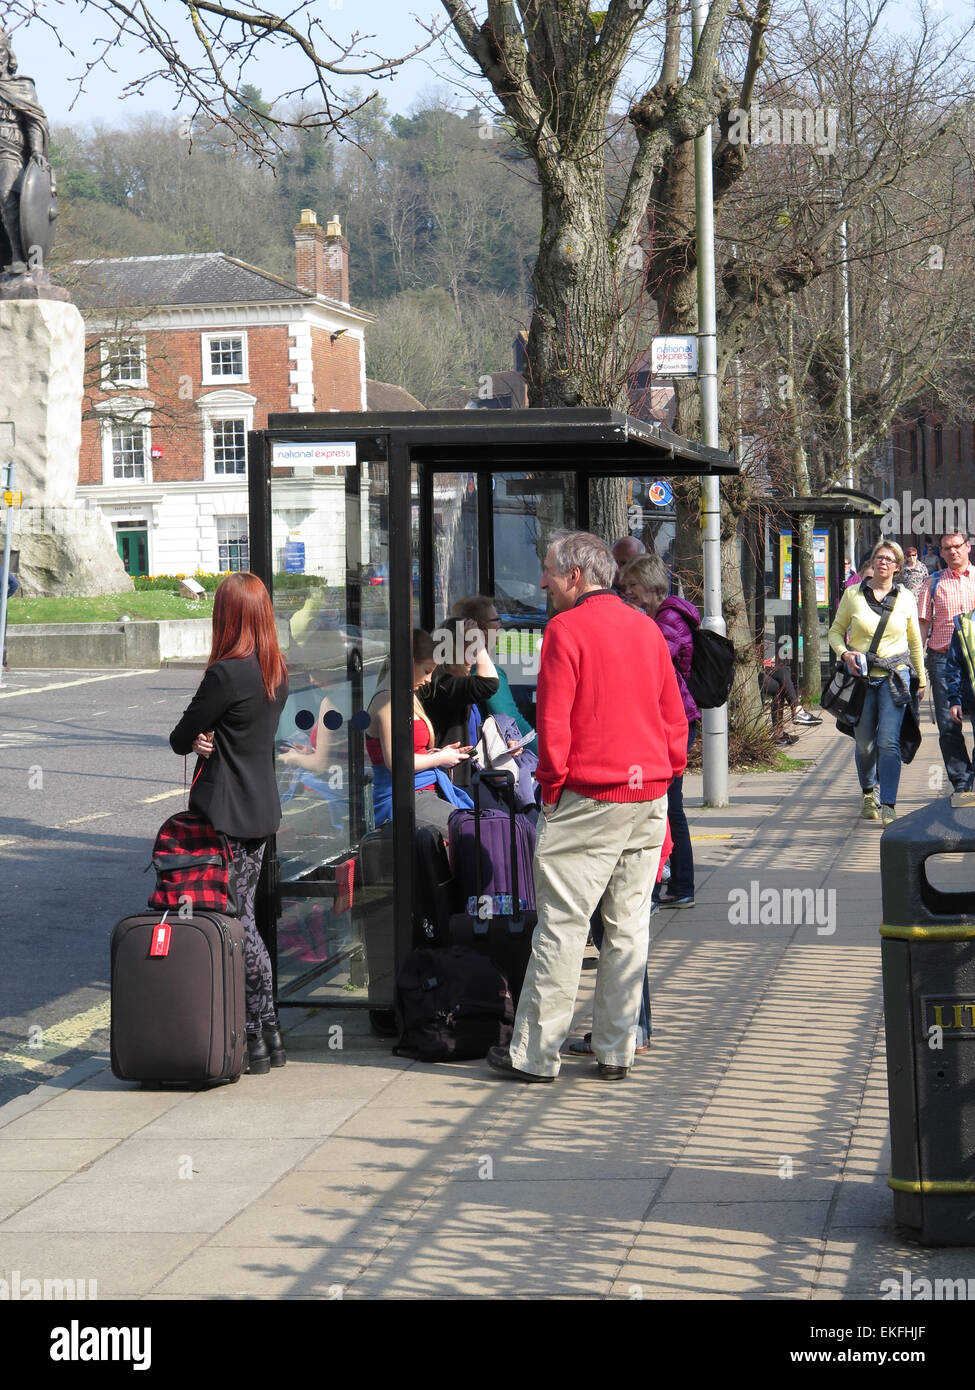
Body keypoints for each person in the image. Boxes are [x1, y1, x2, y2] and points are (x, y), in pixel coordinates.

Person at [487, 530, 687, 1083]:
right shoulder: (645, 628)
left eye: (549, 571)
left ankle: (536, 1054)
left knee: (562, 927)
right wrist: (663, 774)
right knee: (628, 928)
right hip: (647, 794)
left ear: (575, 575)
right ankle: (616, 1049)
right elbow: (673, 716)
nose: (543, 583)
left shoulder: (566, 629)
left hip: (590, 795)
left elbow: (554, 724)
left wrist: (550, 792)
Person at [169, 572, 289, 1076]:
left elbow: (180, 737)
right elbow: (241, 732)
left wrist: (199, 740)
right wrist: (209, 737)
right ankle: (267, 1037)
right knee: (245, 916)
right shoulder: (275, 670)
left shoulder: (225, 673)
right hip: (259, 810)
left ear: (228, 616)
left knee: (238, 923)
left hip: (224, 814)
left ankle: (258, 1033)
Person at [619, 552, 701, 908]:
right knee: (668, 804)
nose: (627, 592)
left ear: (652, 586)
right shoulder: (663, 616)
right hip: (676, 718)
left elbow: (649, 661)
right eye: (625, 586)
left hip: (673, 720)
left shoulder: (667, 619)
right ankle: (677, 885)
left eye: (633, 585)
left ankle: (676, 885)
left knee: (667, 805)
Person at [827, 540, 925, 825]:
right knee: (865, 745)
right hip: (862, 679)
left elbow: (915, 642)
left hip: (896, 676)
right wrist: (845, 653)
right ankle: (869, 792)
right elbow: (835, 632)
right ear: (872, 562)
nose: (883, 562)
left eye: (889, 559)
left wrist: (921, 679)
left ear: (897, 567)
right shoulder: (853, 595)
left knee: (889, 742)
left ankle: (889, 804)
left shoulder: (906, 598)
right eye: (879, 557)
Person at [364, 629, 473, 837]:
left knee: (478, 827)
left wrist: (438, 755)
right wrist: (440, 758)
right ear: (409, 663)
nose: (430, 679)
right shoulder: (387, 702)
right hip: (405, 798)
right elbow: (397, 762)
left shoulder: (401, 698)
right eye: (427, 670)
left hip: (421, 793)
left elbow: (408, 753)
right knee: (472, 831)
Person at [918, 533, 975, 793]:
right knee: (948, 725)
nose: (953, 552)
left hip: (973, 660)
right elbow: (922, 626)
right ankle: (962, 783)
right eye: (947, 548)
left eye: (957, 546)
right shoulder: (932, 583)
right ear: (940, 552)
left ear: (968, 547)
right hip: (941, 661)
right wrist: (917, 667)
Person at [449, 594, 533, 738]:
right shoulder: (487, 673)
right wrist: (541, 748)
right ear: (482, 628)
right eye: (496, 620)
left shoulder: (456, 669)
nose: (500, 625)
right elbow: (513, 721)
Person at [759, 657, 821, 741]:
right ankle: (797, 712)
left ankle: (778, 733)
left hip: (762, 670)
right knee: (782, 679)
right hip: (752, 674)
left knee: (782, 676)